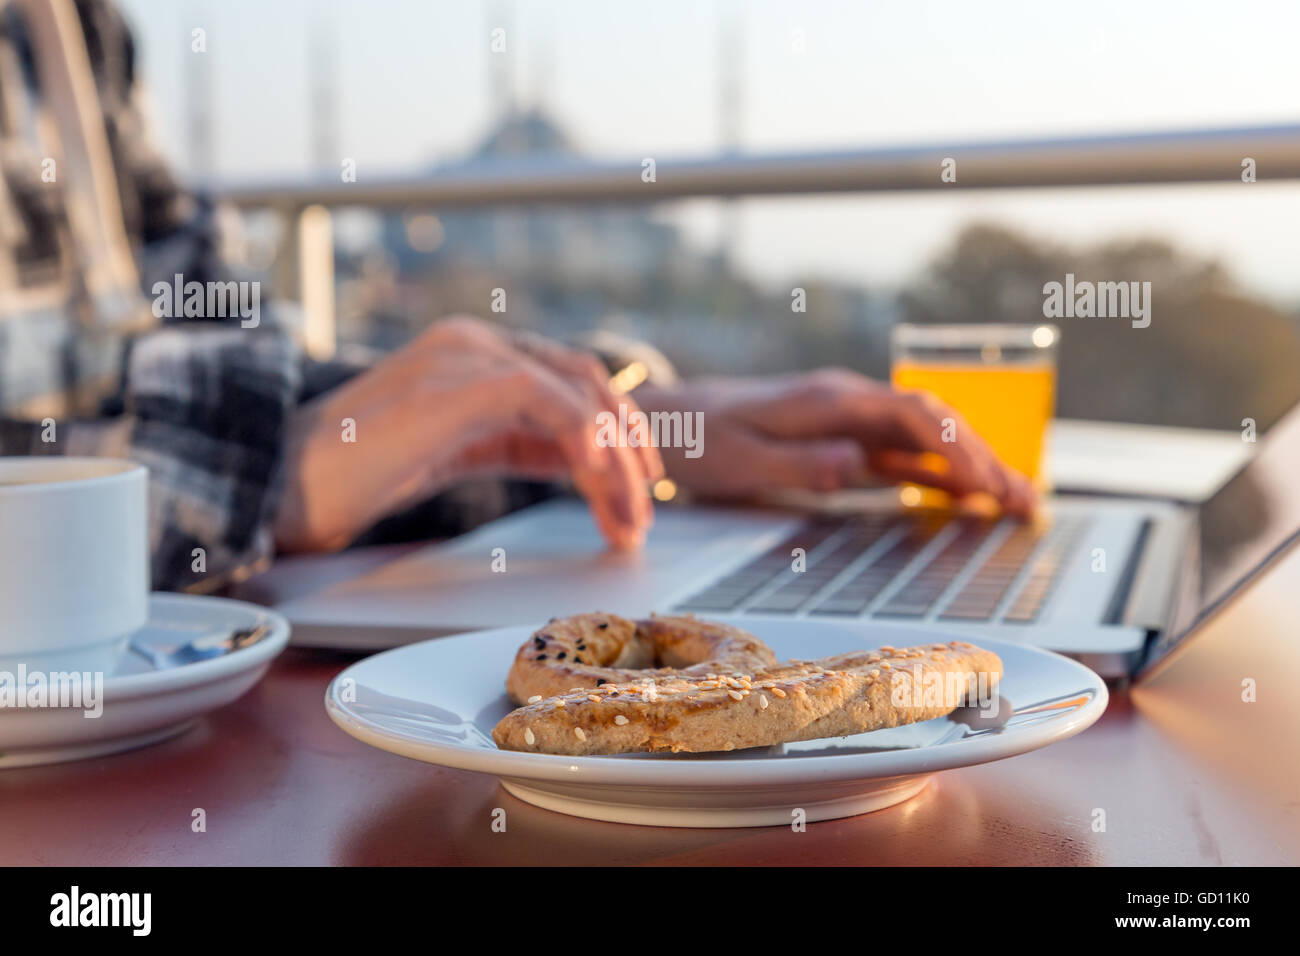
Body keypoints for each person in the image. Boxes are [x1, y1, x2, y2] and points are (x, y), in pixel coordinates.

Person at [0, 0, 1035, 593]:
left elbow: (204, 368)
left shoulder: (71, 30)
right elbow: (255, 455)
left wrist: (635, 426)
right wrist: (258, 478)